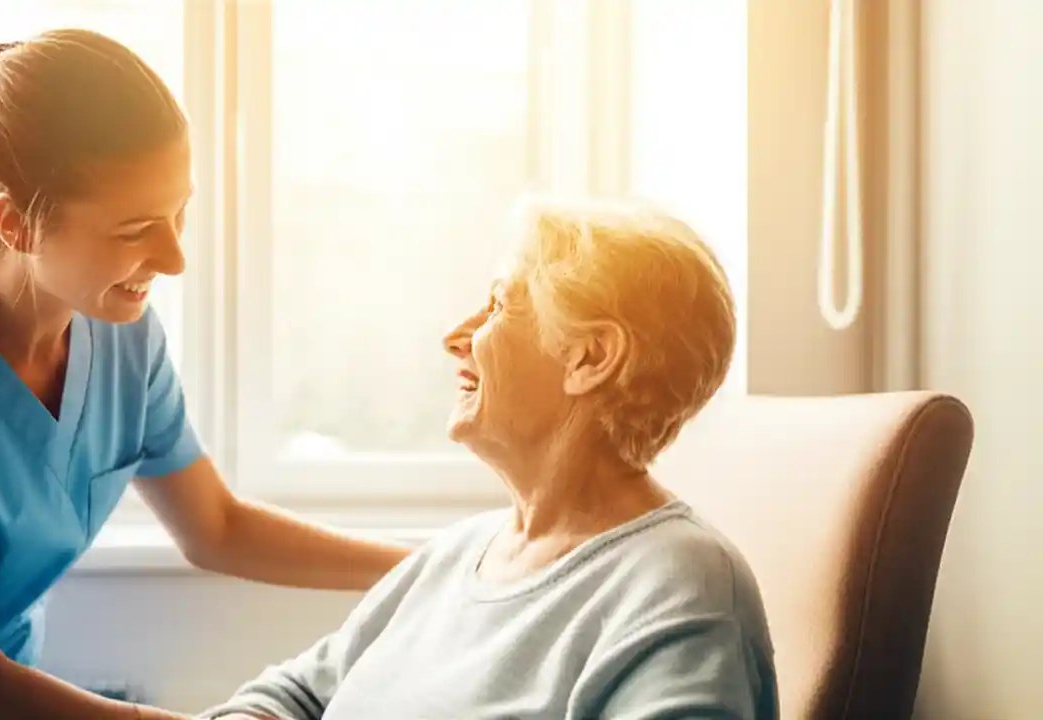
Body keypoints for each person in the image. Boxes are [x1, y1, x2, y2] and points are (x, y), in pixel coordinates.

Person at [0, 30, 409, 720]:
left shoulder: (123, 337)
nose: (174, 258)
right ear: (16, 224)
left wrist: (424, 568)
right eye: (135, 231)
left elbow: (216, 527)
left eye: (179, 214)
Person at [202, 199, 778, 720]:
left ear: (590, 356)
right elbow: (292, 697)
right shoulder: (457, 554)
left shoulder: (682, 585)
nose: (455, 336)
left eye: (498, 304)